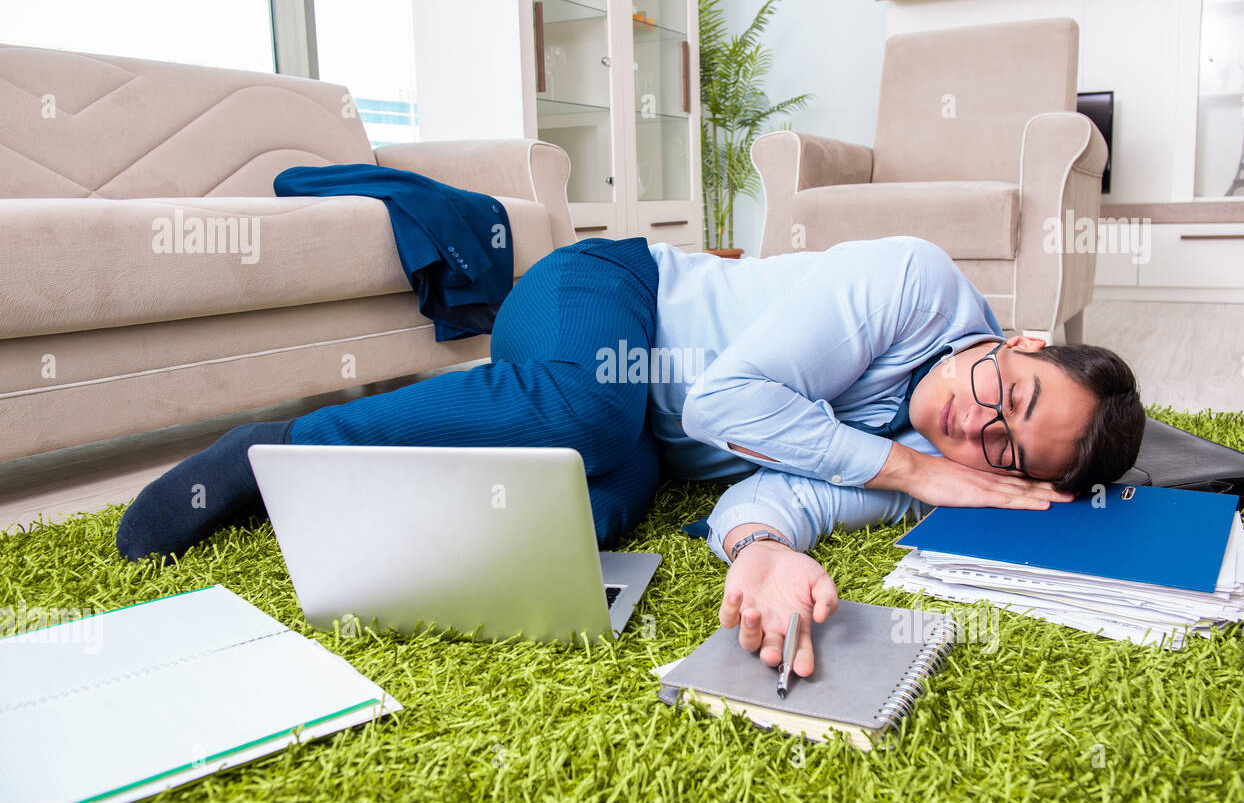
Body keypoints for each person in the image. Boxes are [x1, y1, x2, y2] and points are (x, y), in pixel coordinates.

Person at [116, 234, 1144, 677]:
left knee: (582, 516)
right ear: (1018, 342)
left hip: (643, 444)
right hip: (609, 296)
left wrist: (756, 553)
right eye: (1003, 395)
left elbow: (775, 501)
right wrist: (910, 470)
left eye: (1006, 450)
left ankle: (331, 487)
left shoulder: (938, 459)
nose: (976, 429)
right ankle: (275, 445)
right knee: (590, 413)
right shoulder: (912, 282)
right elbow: (725, 399)